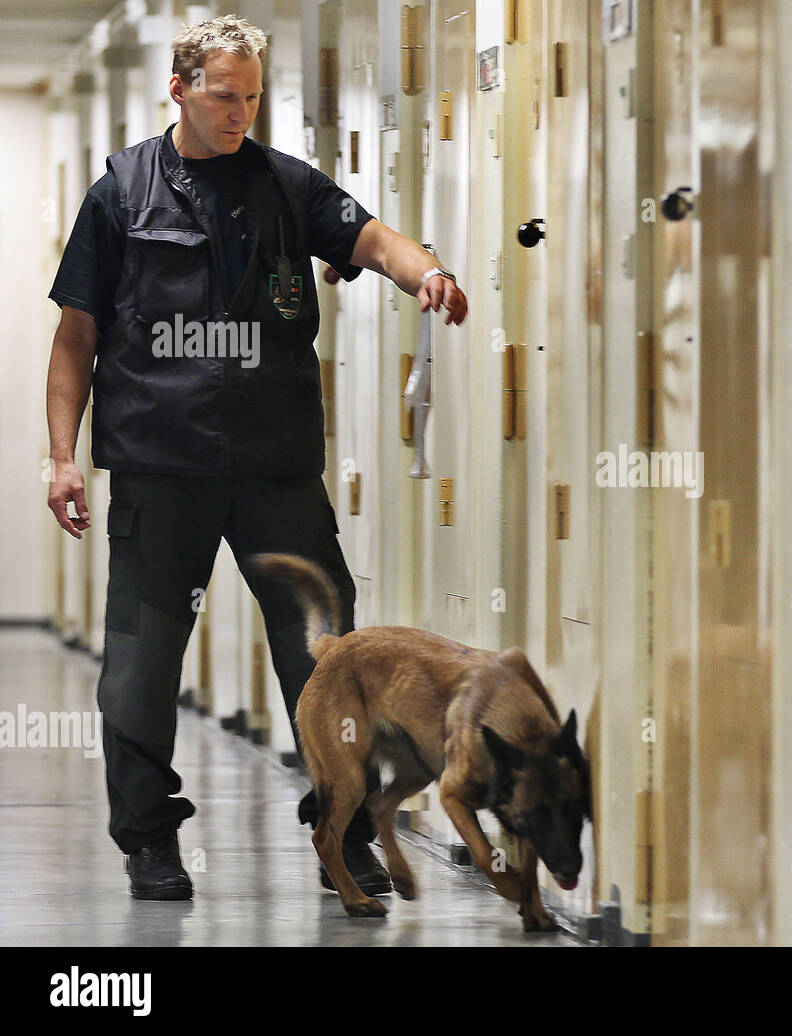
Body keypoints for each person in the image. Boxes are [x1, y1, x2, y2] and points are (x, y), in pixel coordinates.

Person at [44, 15, 467, 901]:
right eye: (222, 94)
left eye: (251, 97)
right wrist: (62, 458)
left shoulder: (286, 186)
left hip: (276, 468)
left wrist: (424, 270)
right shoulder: (121, 192)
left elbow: (375, 239)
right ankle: (151, 843)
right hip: (161, 467)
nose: (239, 112)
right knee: (139, 666)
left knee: (330, 658)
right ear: (181, 88)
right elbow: (77, 336)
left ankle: (343, 833)